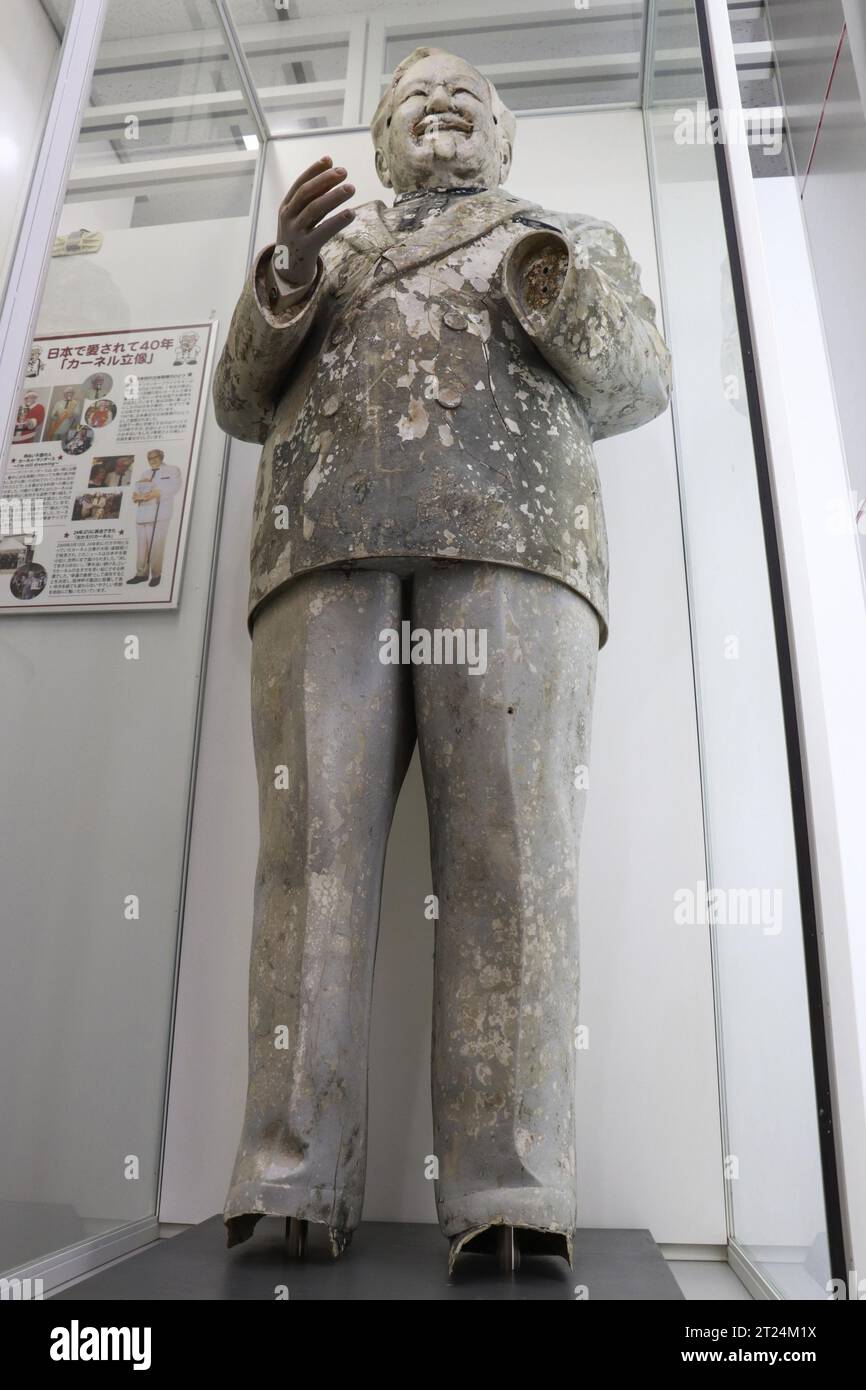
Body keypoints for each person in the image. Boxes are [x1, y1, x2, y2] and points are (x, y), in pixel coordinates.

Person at [214, 47, 672, 1270]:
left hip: (515, 549)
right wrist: (286, 280)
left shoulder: (561, 235)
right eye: (414, 96)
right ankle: (286, 1174)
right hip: (324, 550)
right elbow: (238, 402)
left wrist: (554, 288)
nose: (443, 105)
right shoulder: (330, 255)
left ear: (505, 140)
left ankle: (511, 1188)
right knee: (311, 863)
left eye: (467, 96)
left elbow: (636, 382)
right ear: (378, 141)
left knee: (512, 862)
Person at [127, 449, 182, 587]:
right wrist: (136, 496)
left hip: (160, 513)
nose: (152, 460)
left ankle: (156, 575)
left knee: (157, 546)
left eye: (155, 457)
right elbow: (138, 489)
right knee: (141, 546)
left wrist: (157, 493)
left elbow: (175, 487)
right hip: (142, 513)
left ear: (161, 457)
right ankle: (141, 574)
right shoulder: (145, 473)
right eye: (149, 458)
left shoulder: (172, 470)